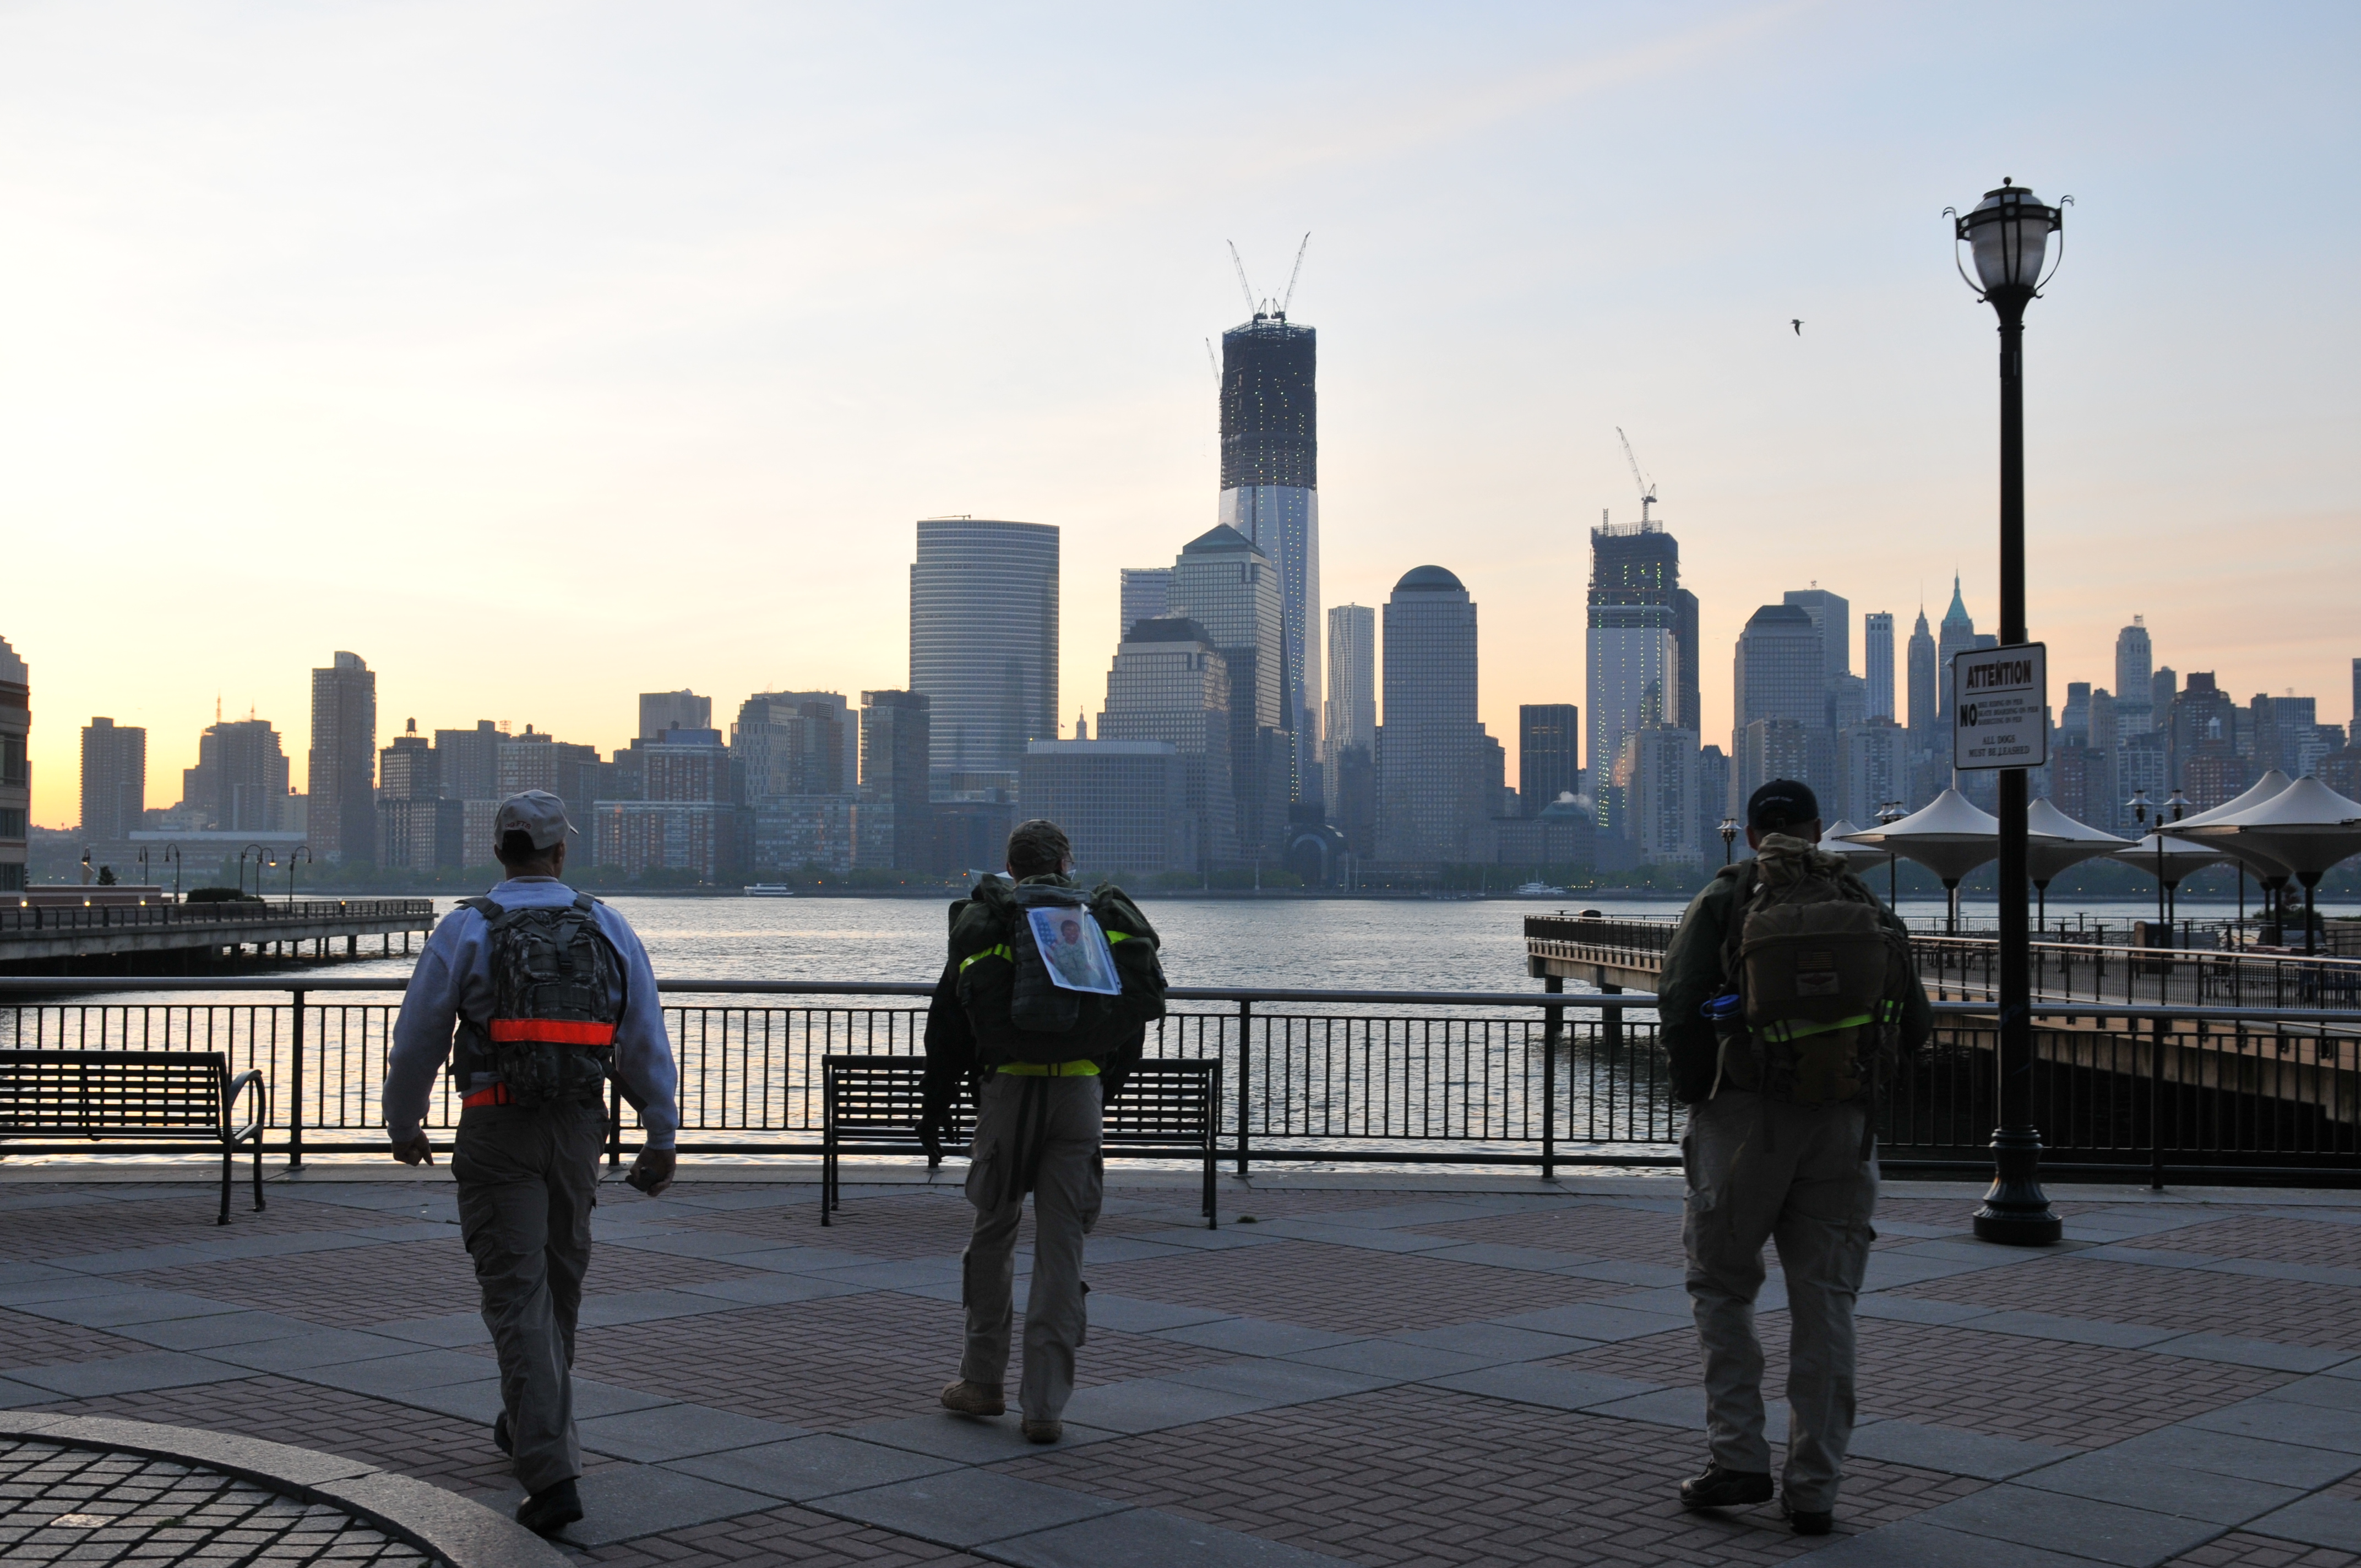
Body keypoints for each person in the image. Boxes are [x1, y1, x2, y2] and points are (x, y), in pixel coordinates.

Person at [382, 791, 680, 1537]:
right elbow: (643, 1034)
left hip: (495, 1124)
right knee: (558, 1285)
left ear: (498, 851)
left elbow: (420, 1034)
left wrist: (403, 1120)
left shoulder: (465, 928)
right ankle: (530, 1424)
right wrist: (661, 1131)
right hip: (580, 1127)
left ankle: (550, 1475)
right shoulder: (607, 924)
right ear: (559, 851)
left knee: (518, 1297)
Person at [1656, 780, 1932, 1536]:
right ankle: (1814, 1488)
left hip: (1742, 1118)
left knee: (1720, 1285)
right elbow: (1915, 1024)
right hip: (1844, 1126)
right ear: (1819, 829)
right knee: (1826, 1302)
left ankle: (1738, 1457)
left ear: (1749, 835)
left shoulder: (1726, 897)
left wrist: (1701, 1092)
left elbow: (1678, 1002)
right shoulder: (1866, 904)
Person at [917, 818, 1161, 1444]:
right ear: (1065, 861)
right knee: (1062, 1250)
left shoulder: (989, 919)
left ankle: (981, 1381)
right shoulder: (1092, 918)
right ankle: (1045, 1407)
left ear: (1013, 867)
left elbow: (948, 1020)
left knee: (994, 1234)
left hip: (1008, 1091)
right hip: (1078, 1091)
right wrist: (1102, 1086)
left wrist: (937, 1100)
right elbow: (1127, 1018)